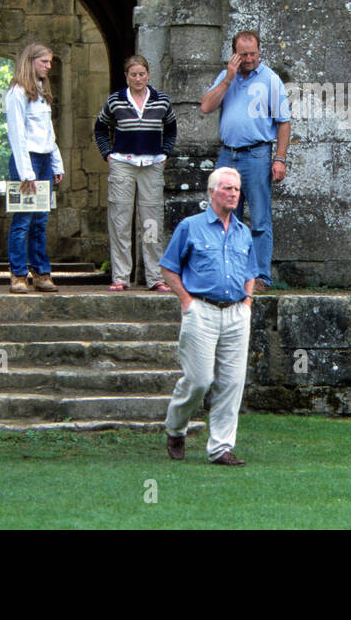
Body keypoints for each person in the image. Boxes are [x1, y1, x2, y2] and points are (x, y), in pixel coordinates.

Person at [160, 167, 255, 466]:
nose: (233, 194)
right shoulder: (190, 226)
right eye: (227, 188)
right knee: (199, 380)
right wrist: (187, 302)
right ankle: (175, 428)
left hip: (237, 312)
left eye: (236, 189)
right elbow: (168, 267)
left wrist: (248, 302)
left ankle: (221, 448)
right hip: (201, 310)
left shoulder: (243, 232)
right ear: (212, 192)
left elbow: (250, 271)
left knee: (232, 382)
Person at [199, 30, 290, 294]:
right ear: (234, 54)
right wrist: (228, 78)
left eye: (253, 54)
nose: (249, 59)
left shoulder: (271, 80)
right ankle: (230, 273)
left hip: (257, 155)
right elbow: (206, 106)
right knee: (224, 216)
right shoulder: (226, 76)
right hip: (228, 155)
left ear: (259, 52)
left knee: (260, 219)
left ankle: (261, 276)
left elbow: (284, 122)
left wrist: (280, 159)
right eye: (243, 55)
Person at [93, 55, 177, 292]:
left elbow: (171, 129)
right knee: (120, 220)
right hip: (123, 164)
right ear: (126, 76)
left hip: (151, 165)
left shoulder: (161, 101)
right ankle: (120, 277)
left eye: (141, 74)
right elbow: (100, 127)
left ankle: (154, 277)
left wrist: (165, 153)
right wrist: (107, 154)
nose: (138, 78)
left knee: (151, 222)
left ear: (148, 75)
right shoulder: (116, 101)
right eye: (133, 74)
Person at [5, 42, 64, 294]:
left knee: (41, 221)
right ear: (31, 61)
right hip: (25, 162)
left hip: (44, 162)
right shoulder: (17, 93)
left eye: (50, 62)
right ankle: (18, 274)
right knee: (23, 221)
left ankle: (41, 273)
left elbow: (48, 133)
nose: (49, 66)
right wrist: (26, 172)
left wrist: (56, 163)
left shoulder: (41, 91)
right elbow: (17, 135)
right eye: (44, 62)